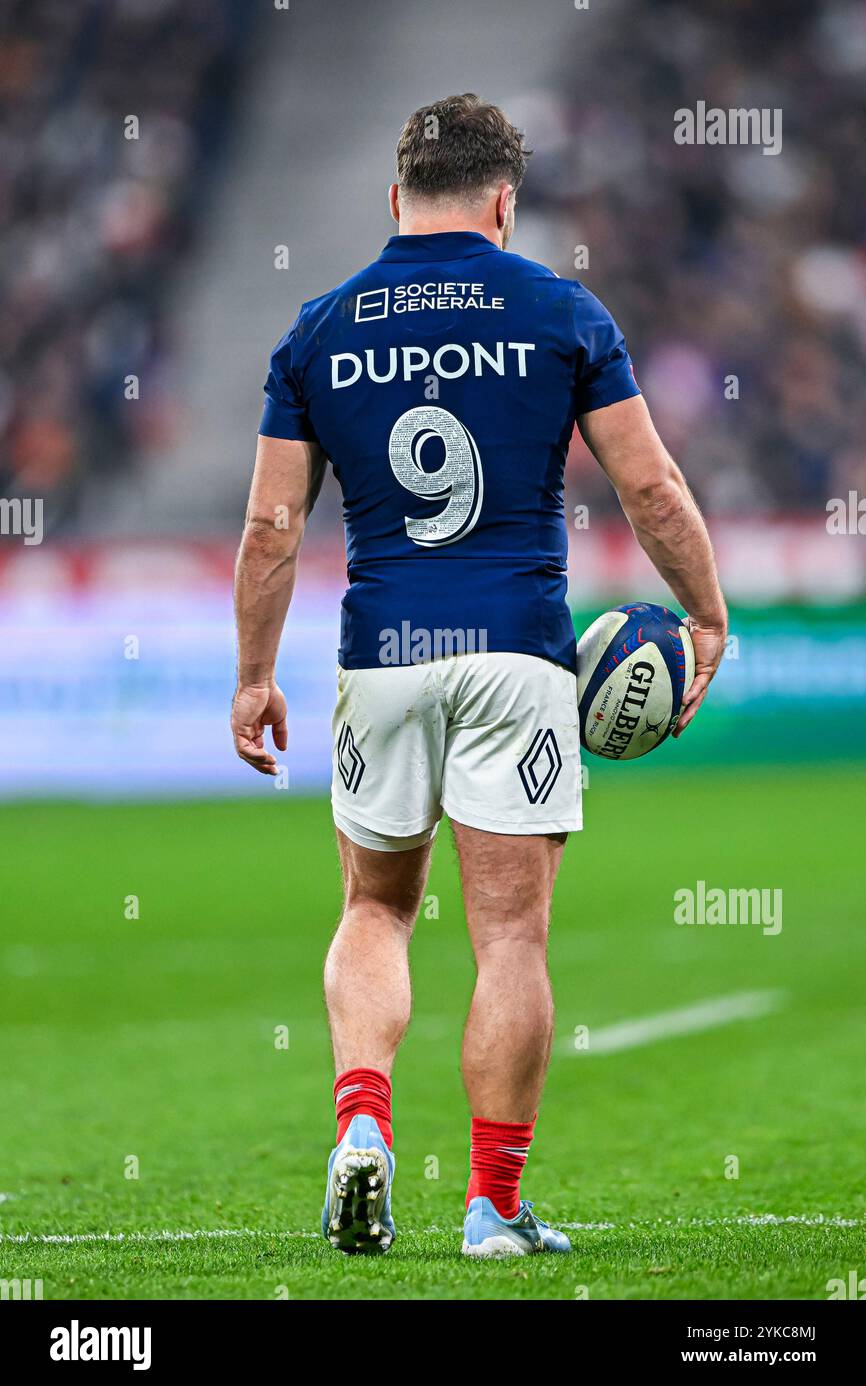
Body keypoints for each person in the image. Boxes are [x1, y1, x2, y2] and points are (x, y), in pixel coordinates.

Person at [232, 94, 727, 1257]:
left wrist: (254, 675)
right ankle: (492, 1207)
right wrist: (703, 614)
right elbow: (649, 490)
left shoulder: (319, 327)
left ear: (393, 198)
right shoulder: (560, 311)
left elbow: (267, 527)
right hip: (517, 650)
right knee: (508, 938)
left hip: (383, 655)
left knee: (373, 907)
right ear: (506, 200)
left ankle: (361, 1124)